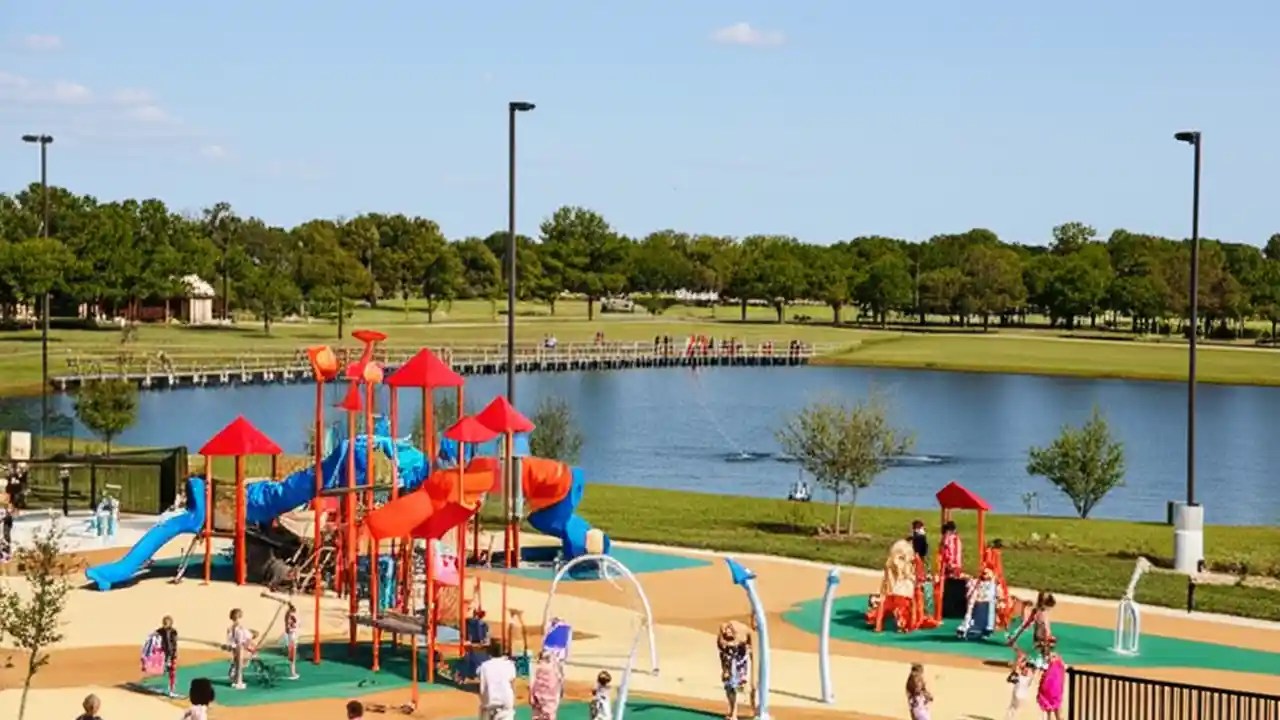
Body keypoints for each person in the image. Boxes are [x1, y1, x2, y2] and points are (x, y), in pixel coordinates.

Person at [1007, 591, 1057, 668]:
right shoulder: (1044, 613)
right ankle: (1041, 663)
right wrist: (1049, 637)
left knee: (1037, 652)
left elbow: (1027, 623)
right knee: (1042, 652)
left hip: (1037, 635)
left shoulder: (1036, 611)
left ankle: (1025, 662)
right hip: (1042, 635)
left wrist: (1016, 636)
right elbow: (1046, 628)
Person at [716, 621, 752, 720]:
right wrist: (725, 670)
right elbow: (723, 657)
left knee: (734, 689)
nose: (727, 632)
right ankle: (732, 711)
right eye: (725, 631)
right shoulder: (722, 643)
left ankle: (735, 713)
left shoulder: (739, 642)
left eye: (729, 630)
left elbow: (745, 646)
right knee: (728, 690)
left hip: (737, 669)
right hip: (728, 669)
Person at [476, 639, 517, 720]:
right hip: (506, 704)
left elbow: (482, 689)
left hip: (490, 705)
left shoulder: (484, 666)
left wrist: (484, 704)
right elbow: (513, 686)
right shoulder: (510, 664)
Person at [529, 650, 564, 720]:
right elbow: (561, 682)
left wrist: (531, 696)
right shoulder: (555, 667)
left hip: (539, 700)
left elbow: (532, 683)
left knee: (538, 716)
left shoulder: (538, 667)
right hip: (550, 701)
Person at [226, 608, 255, 690]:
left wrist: (231, 646)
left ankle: (236, 681)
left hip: (235, 647)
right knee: (239, 665)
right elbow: (247, 637)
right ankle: (239, 682)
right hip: (239, 647)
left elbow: (230, 639)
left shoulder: (230, 628)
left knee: (237, 664)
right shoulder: (239, 627)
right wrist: (247, 645)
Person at [1036, 640, 1065, 719]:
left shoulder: (1050, 658)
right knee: (1057, 711)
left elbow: (1040, 671)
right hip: (1053, 687)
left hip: (1051, 687)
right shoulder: (1056, 658)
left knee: (1052, 711)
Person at [1005, 648, 1035, 720]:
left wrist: (1019, 660)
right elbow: (1011, 678)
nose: (1026, 669)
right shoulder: (1027, 676)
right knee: (1014, 709)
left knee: (1013, 708)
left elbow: (1010, 678)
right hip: (1021, 694)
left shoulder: (1022, 676)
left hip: (1018, 693)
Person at [156, 615, 179, 697]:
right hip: (162, 654)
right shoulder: (159, 631)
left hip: (171, 654)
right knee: (165, 670)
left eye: (167, 623)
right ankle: (165, 668)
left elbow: (173, 645)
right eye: (164, 623)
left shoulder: (173, 632)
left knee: (172, 672)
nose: (165, 624)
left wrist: (171, 656)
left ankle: (171, 690)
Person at [283, 601, 300, 680]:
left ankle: (292, 672)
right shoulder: (290, 617)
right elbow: (288, 628)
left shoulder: (291, 617)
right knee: (292, 655)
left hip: (292, 637)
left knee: (292, 655)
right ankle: (292, 672)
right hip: (291, 637)